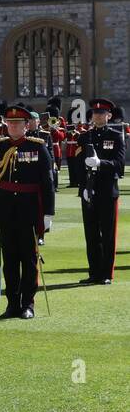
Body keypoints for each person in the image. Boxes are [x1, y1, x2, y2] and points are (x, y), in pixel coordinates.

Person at [0, 103, 55, 318]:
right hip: (6, 209)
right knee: (9, 259)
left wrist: (48, 213)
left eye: (18, 124)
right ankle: (12, 303)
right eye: (10, 123)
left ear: (26, 126)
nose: (13, 127)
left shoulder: (38, 146)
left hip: (29, 209)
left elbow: (47, 182)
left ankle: (27, 303)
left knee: (28, 259)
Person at [71, 96, 123, 285]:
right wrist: (82, 187)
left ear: (108, 115)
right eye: (95, 113)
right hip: (89, 191)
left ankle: (106, 273)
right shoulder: (85, 137)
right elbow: (78, 165)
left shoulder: (116, 136)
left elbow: (118, 165)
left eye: (101, 113)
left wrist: (101, 163)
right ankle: (94, 272)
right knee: (91, 234)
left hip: (107, 191)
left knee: (107, 234)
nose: (97, 116)